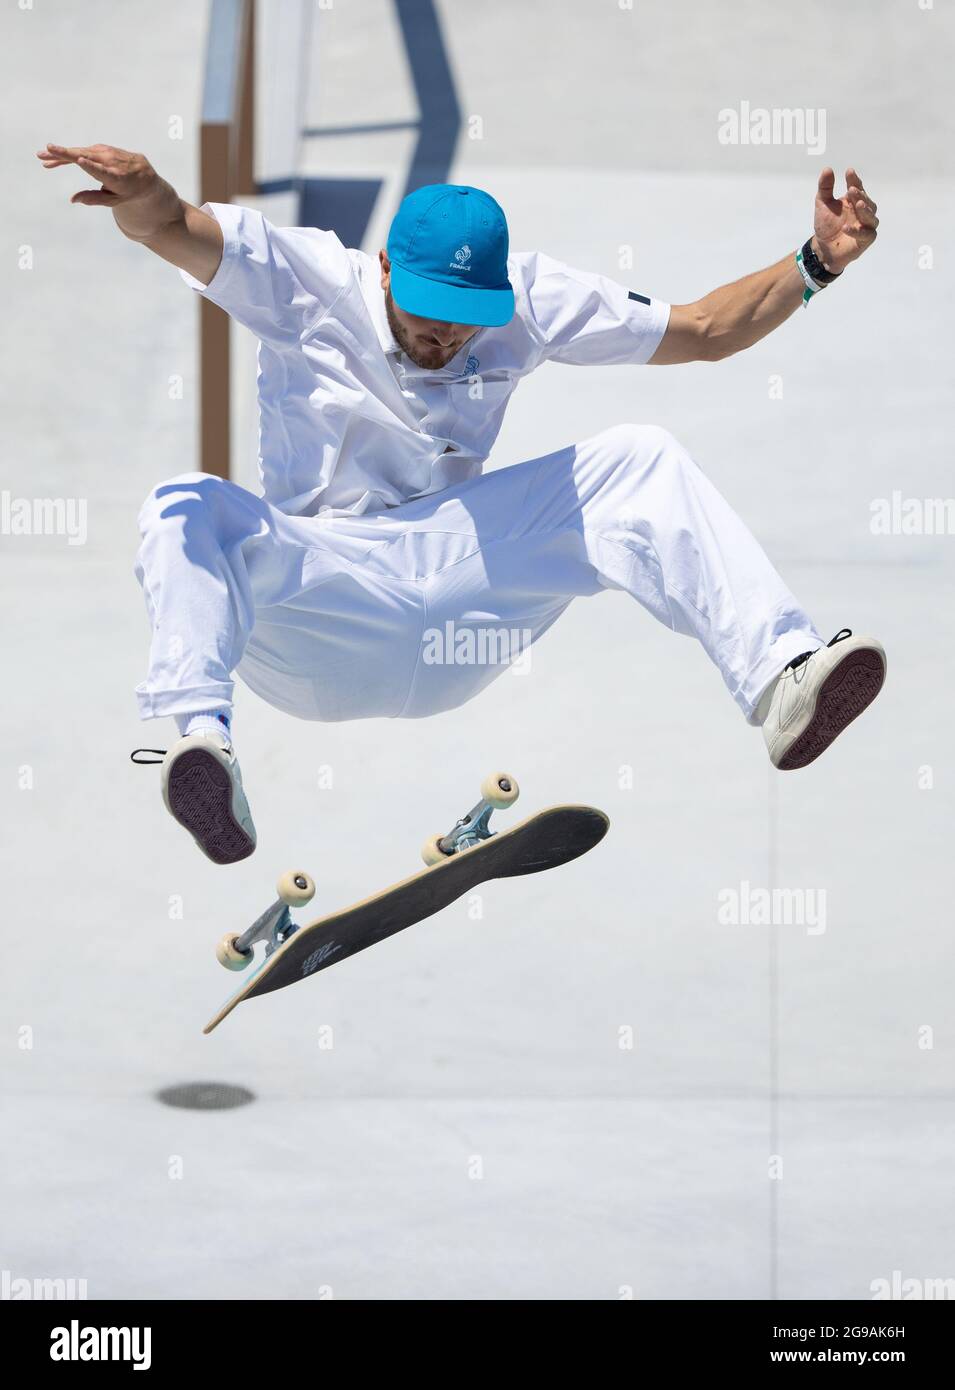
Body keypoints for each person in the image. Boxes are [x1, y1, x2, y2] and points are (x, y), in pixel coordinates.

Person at [39, 142, 886, 864]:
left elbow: (706, 329)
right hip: (322, 603)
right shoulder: (301, 280)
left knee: (641, 458)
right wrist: (147, 197)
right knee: (184, 504)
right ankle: (200, 740)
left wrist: (816, 262)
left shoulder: (529, 299)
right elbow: (172, 228)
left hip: (459, 599)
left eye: (464, 319)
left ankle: (782, 682)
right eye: (427, 313)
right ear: (381, 270)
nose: (444, 337)